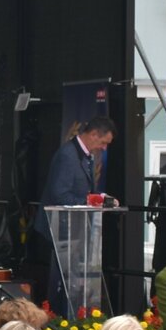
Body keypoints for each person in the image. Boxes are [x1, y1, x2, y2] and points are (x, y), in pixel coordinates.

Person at [37, 116, 117, 315]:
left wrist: (99, 199)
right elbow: (60, 194)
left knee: (71, 281)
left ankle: (73, 316)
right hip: (61, 230)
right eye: (103, 142)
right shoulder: (68, 155)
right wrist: (93, 200)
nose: (104, 148)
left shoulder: (84, 155)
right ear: (93, 134)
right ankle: (58, 318)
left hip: (74, 230)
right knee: (59, 281)